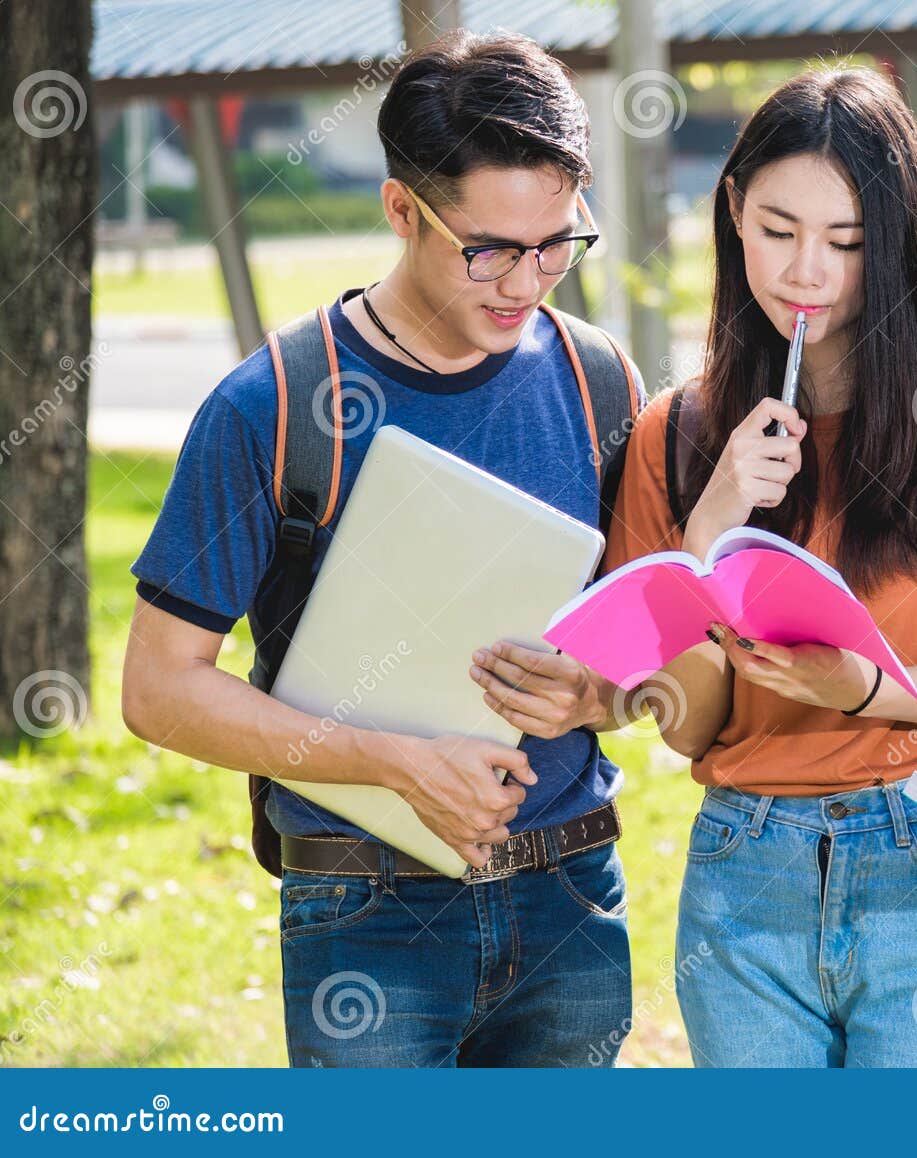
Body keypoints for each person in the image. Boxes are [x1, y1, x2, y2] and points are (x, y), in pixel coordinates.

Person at [122, 32, 644, 1067]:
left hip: (572, 897)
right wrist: (398, 765)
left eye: (556, 244)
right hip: (366, 909)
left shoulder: (601, 383)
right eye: (489, 248)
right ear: (401, 209)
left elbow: (654, 655)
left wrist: (598, 697)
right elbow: (157, 688)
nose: (527, 283)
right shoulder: (272, 406)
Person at [603, 69, 917, 1068]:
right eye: (776, 229)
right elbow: (681, 724)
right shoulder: (672, 436)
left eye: (845, 243)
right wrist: (710, 527)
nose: (807, 272)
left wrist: (867, 693)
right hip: (744, 862)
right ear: (729, 213)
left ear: (891, 244)